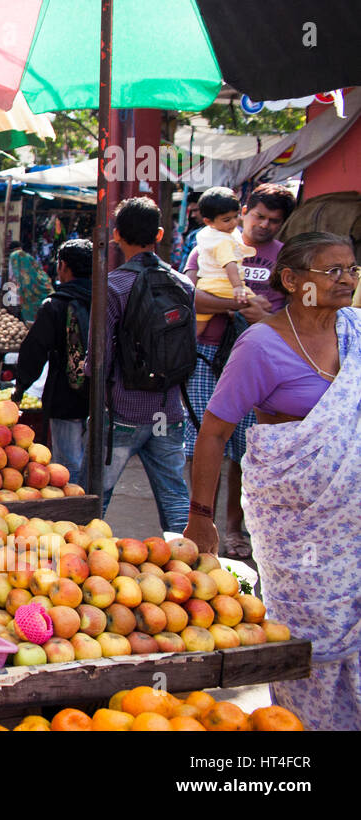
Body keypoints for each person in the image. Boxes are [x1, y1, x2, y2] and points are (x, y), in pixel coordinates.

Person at [184, 232, 361, 730]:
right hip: (296, 528)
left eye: (351, 269)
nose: (346, 279)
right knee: (308, 638)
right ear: (291, 279)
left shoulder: (356, 329)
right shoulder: (261, 346)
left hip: (355, 521)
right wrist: (201, 518)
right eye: (332, 271)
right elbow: (215, 433)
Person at [182, 183, 294, 559]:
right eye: (259, 216)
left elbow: (292, 315)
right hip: (205, 353)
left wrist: (266, 316)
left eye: (274, 221)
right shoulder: (211, 243)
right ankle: (198, 521)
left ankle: (233, 527)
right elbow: (189, 295)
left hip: (257, 362)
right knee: (201, 442)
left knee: (243, 450)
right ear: (244, 211)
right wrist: (236, 301)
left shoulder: (283, 259)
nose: (264, 225)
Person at [99, 197, 194, 533]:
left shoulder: (112, 287)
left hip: (122, 413)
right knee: (175, 496)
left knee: (97, 497)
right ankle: (189, 565)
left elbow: (101, 358)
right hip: (167, 411)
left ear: (116, 234)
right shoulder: (184, 286)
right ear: (159, 233)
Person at [12, 239, 92, 485]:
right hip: (103, 395)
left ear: (63, 266)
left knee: (68, 464)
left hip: (65, 396)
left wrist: (20, 389)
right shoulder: (107, 299)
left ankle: (74, 515)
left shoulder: (56, 304)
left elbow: (34, 350)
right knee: (94, 462)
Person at [190, 187, 257, 325]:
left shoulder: (206, 234)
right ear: (209, 221)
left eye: (236, 216)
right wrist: (238, 287)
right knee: (259, 304)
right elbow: (230, 264)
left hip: (205, 285)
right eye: (227, 220)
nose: (234, 222)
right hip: (224, 285)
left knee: (197, 327)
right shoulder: (223, 240)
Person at [7, 239, 54, 322]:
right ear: (20, 248)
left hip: (21, 293)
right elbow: (38, 271)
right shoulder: (28, 257)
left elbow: (11, 278)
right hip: (38, 290)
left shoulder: (13, 257)